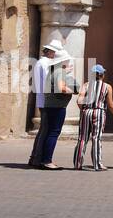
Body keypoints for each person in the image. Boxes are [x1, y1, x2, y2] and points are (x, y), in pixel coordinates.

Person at [33, 49, 77, 170]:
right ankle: (47, 160)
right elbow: (61, 88)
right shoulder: (59, 71)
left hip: (49, 105)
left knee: (49, 132)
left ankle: (43, 159)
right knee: (53, 133)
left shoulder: (52, 71)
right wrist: (73, 91)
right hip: (56, 107)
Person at [73, 65, 113, 171]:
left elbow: (79, 100)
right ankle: (97, 164)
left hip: (86, 111)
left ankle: (77, 164)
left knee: (82, 138)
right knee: (96, 138)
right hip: (99, 112)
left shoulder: (86, 85)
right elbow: (110, 104)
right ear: (102, 75)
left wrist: (83, 109)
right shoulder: (107, 87)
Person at [27, 39, 62, 167]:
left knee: (43, 130)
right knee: (46, 131)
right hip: (48, 101)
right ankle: (38, 159)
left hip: (43, 100)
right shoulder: (46, 64)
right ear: (51, 52)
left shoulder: (40, 62)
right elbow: (51, 82)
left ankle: (35, 157)